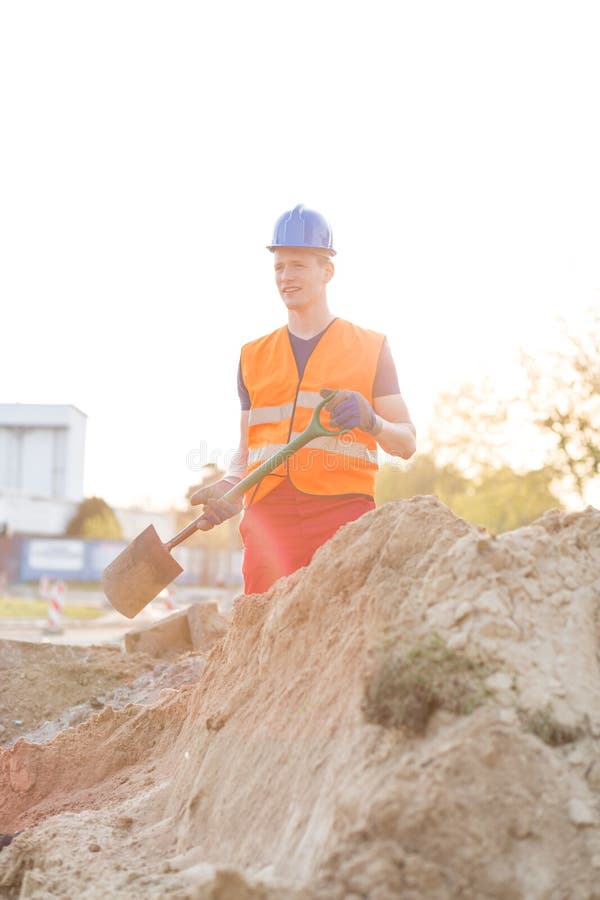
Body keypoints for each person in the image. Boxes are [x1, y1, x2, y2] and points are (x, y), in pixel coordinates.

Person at [191, 204, 416, 594]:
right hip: (268, 519)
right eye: (278, 267)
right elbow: (246, 451)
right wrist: (230, 483)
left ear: (327, 271)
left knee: (340, 628)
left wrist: (371, 422)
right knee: (262, 632)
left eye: (297, 265)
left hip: (341, 516)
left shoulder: (371, 347)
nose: (285, 277)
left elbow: (408, 443)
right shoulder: (253, 355)